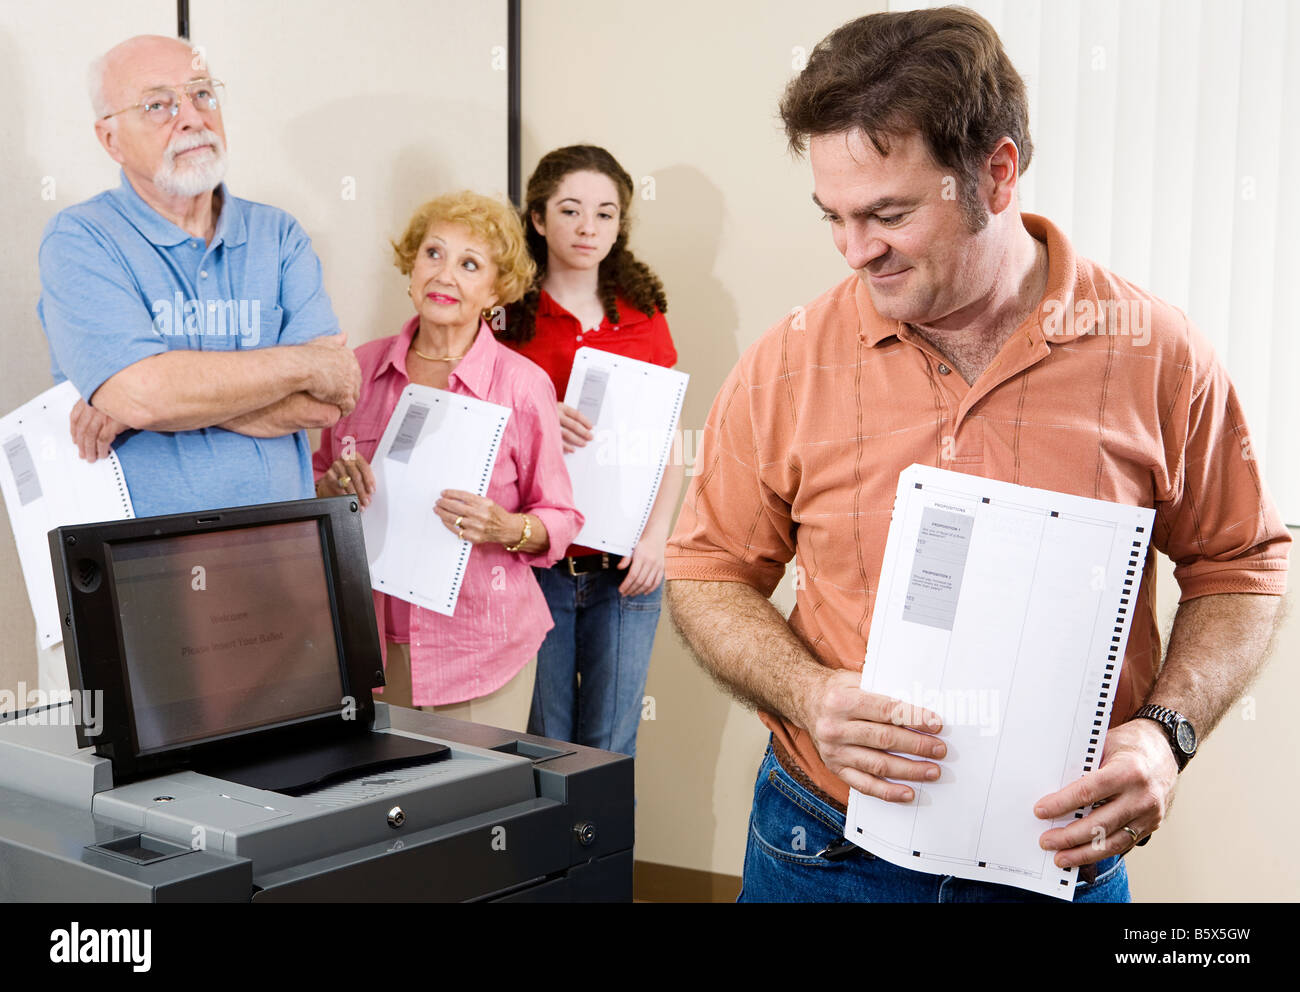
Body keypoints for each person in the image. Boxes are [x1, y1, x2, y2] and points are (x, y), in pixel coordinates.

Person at [664, 7, 1290, 903]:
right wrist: (807, 693)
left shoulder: (1158, 353)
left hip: (1062, 863)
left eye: (887, 213)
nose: (854, 251)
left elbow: (1241, 567)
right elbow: (706, 568)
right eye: (833, 217)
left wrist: (1166, 734)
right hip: (820, 850)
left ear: (996, 174)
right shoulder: (788, 359)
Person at [36, 34, 359, 692]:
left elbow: (333, 394)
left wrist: (159, 402)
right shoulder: (81, 239)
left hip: (284, 566)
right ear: (109, 138)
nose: (191, 116)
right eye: (157, 104)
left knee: (293, 780)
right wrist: (292, 364)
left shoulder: (279, 235)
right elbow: (146, 394)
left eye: (203, 95)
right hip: (140, 578)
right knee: (158, 792)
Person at [314, 192, 583, 714]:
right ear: (411, 266)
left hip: (480, 654)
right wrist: (328, 488)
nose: (444, 275)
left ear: (495, 290)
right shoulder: (356, 371)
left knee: (479, 799)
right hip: (364, 650)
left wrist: (507, 527)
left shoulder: (523, 385)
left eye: (469, 264)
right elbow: (317, 476)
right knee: (379, 797)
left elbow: (562, 516)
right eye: (432, 254)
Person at [499, 145, 682, 757]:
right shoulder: (502, 317)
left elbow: (668, 443)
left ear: (620, 225)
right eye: (571, 210)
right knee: (544, 746)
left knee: (611, 748)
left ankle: (604, 860)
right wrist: (534, 412)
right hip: (536, 563)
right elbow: (472, 426)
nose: (587, 228)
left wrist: (656, 541)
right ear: (537, 218)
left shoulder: (644, 314)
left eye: (605, 214)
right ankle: (546, 859)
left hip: (627, 571)